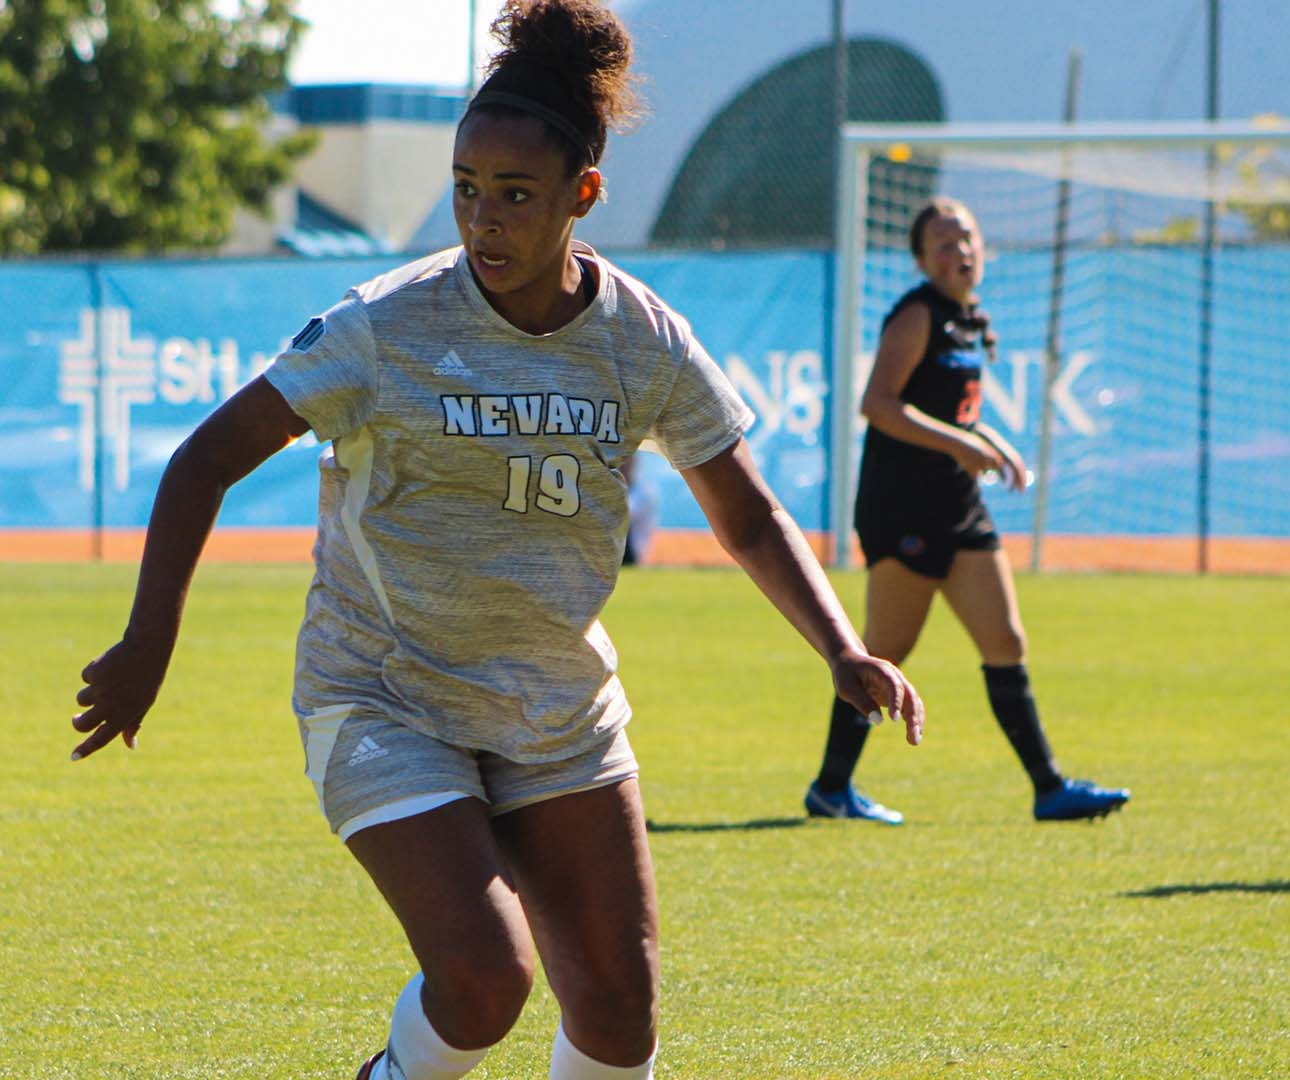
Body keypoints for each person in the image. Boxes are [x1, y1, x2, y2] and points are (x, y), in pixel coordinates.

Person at [68, 3, 924, 1077]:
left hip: (554, 705)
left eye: (516, 196)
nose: (484, 221)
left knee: (619, 1012)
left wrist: (840, 646)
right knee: (485, 979)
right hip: (383, 688)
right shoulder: (386, 324)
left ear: (584, 195)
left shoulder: (643, 338)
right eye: (467, 189)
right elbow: (206, 457)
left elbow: (745, 510)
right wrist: (151, 640)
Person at [803, 197, 1128, 826]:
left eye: (968, 239)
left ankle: (1049, 788)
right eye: (945, 244)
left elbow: (956, 413)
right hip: (906, 507)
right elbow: (878, 404)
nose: (961, 252)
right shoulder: (918, 314)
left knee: (1005, 640)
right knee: (886, 652)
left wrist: (993, 444)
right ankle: (830, 787)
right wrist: (964, 444)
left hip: (959, 503)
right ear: (923, 259)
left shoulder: (967, 318)